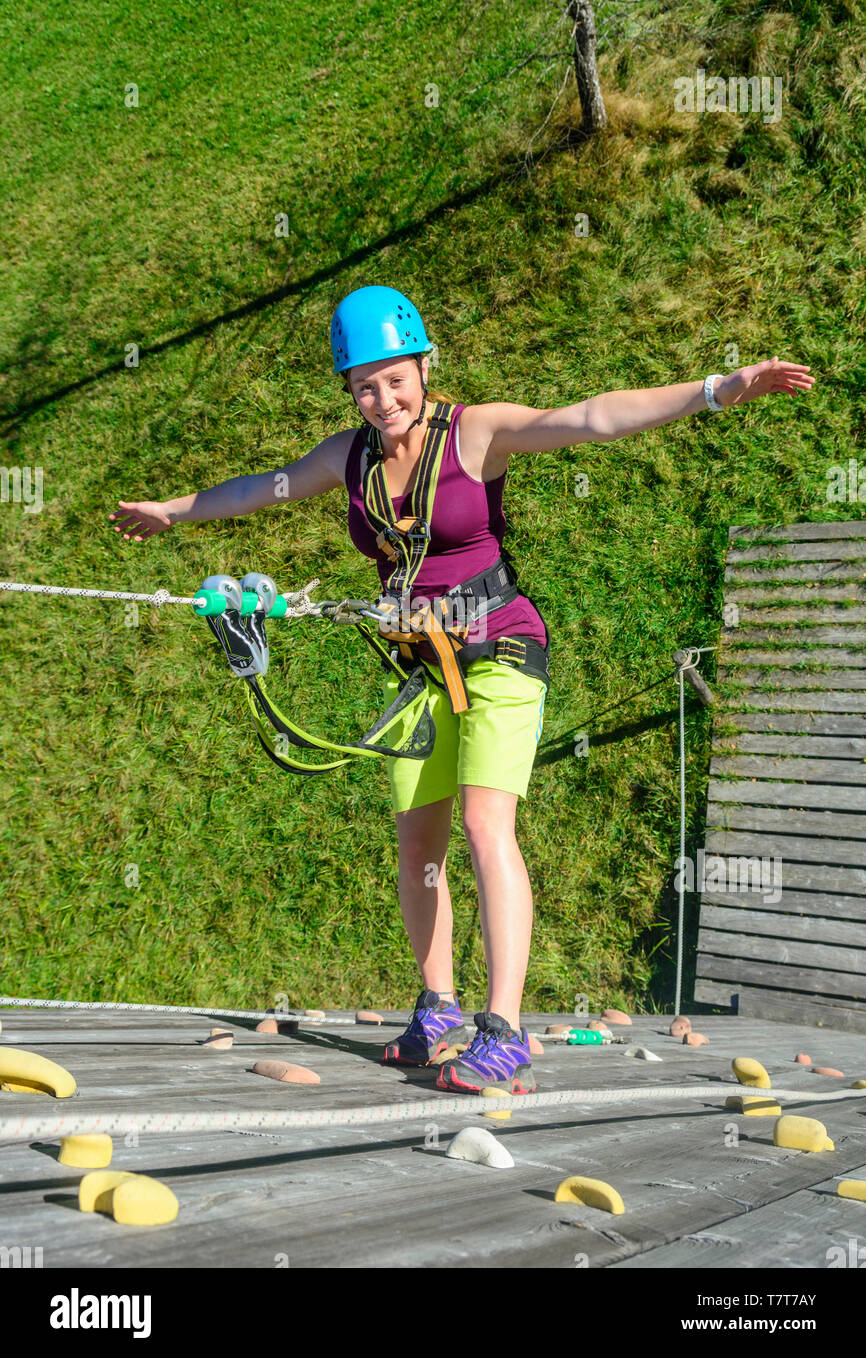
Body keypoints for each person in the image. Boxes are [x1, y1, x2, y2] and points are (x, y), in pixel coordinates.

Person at [110, 284, 814, 1094]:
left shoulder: (475, 433)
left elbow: (589, 416)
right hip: (419, 668)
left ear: (422, 365)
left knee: (486, 824)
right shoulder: (350, 457)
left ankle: (504, 1029)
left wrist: (716, 390)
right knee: (419, 849)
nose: (382, 399)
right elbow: (261, 486)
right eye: (364, 385)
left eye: (395, 379)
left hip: (503, 651)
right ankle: (437, 1008)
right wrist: (171, 510)